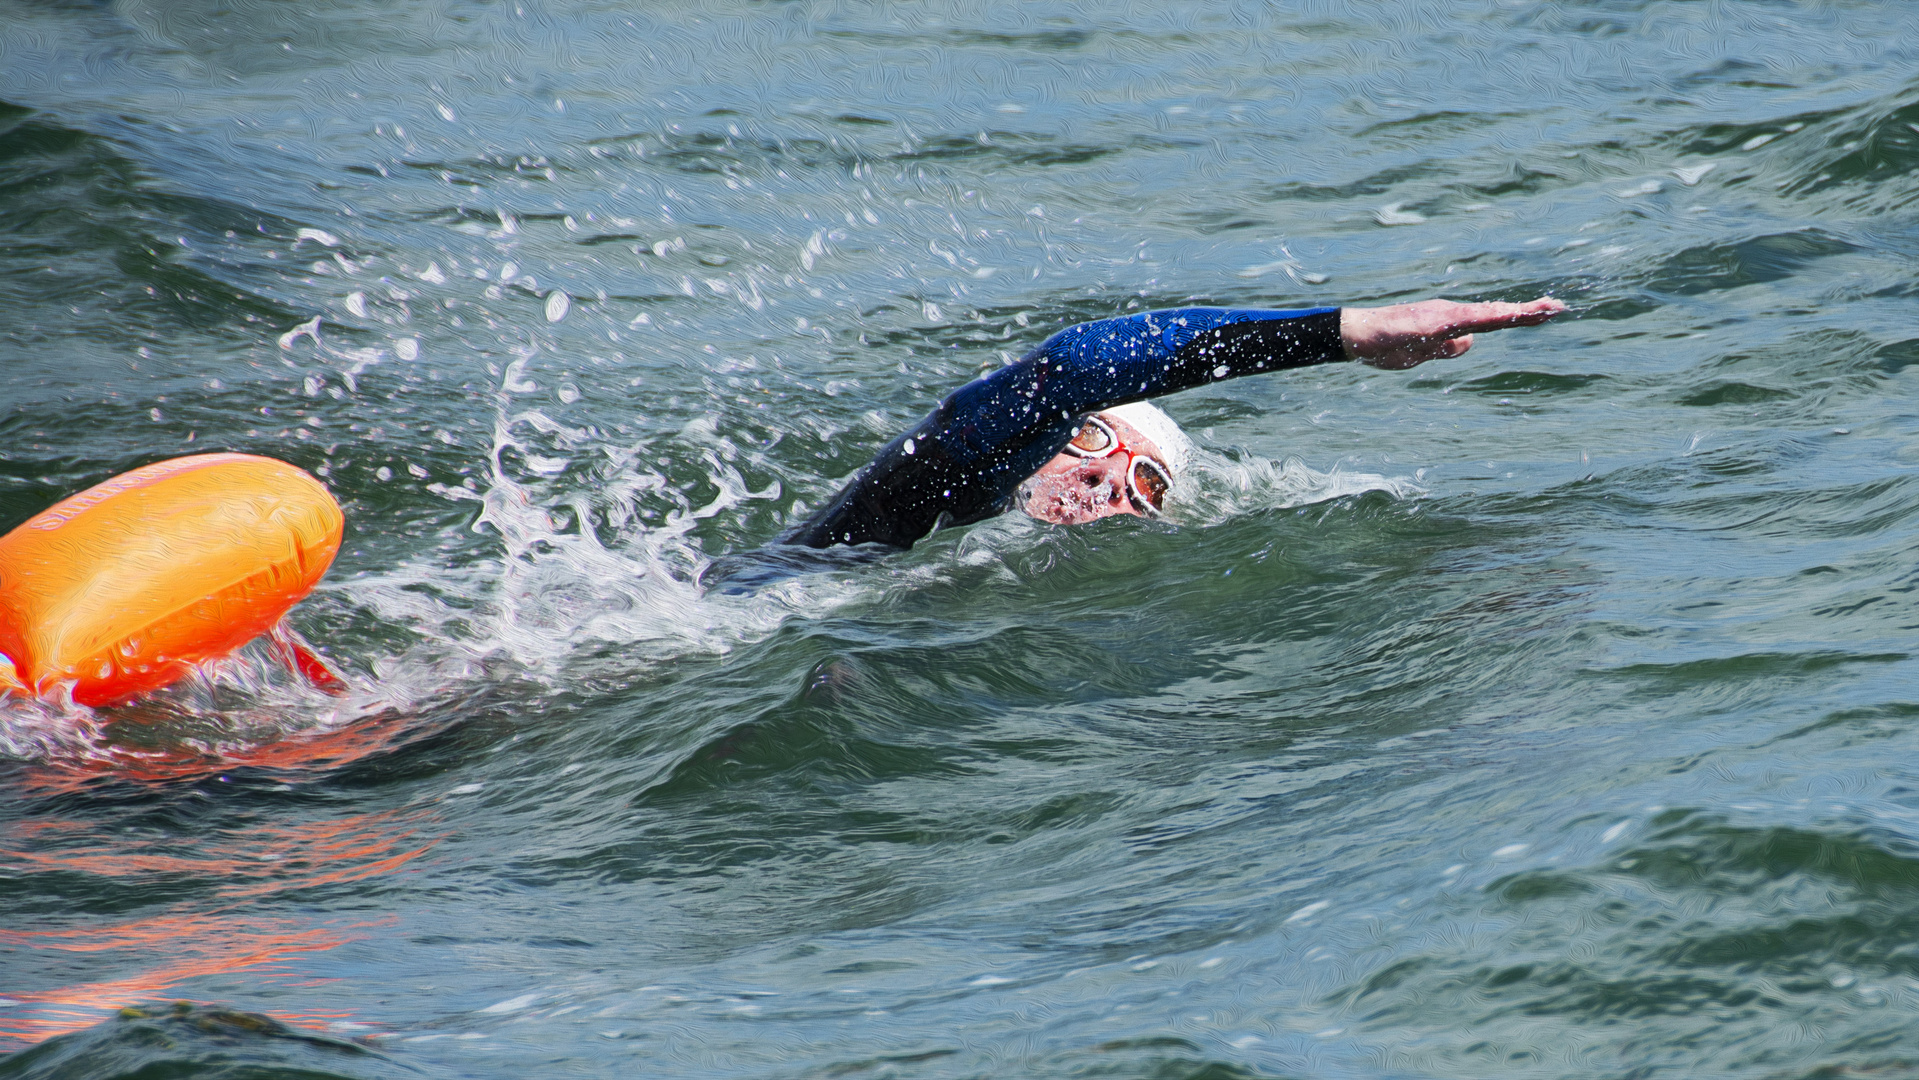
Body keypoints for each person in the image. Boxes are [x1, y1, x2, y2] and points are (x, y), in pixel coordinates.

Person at [777, 297, 1565, 550]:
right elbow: (1071, 370)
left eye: (1143, 483)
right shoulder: (909, 515)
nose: (1100, 478)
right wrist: (1342, 331)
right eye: (1087, 442)